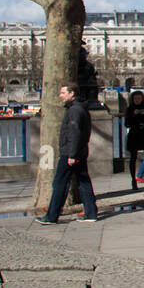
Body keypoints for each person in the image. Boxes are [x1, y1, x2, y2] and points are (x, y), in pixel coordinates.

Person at [37, 84, 99, 224]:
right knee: (83, 182)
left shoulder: (74, 111)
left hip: (70, 152)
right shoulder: (80, 108)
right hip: (79, 151)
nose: (60, 95)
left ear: (72, 94)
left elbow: (74, 133)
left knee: (60, 183)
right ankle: (90, 212)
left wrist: (71, 154)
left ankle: (52, 216)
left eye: (63, 92)